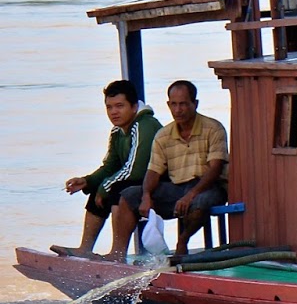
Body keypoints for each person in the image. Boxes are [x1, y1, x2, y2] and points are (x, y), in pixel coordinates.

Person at [115, 80, 229, 258]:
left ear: (195, 104)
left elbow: (215, 168)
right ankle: (118, 254)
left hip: (208, 186)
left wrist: (190, 195)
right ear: (168, 105)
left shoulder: (213, 128)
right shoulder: (163, 135)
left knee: (200, 202)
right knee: (129, 195)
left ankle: (182, 241)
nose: (178, 110)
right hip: (177, 188)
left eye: (183, 104)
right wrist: (146, 195)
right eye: (174, 104)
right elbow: (153, 171)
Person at [53, 80, 161, 259]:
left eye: (120, 106)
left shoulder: (145, 125)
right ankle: (84, 249)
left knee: (117, 190)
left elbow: (136, 169)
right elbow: (111, 166)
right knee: (100, 187)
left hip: (156, 182)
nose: (114, 112)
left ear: (134, 106)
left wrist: (105, 186)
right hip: (137, 180)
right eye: (109, 107)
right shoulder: (117, 131)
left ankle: (117, 253)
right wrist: (88, 181)